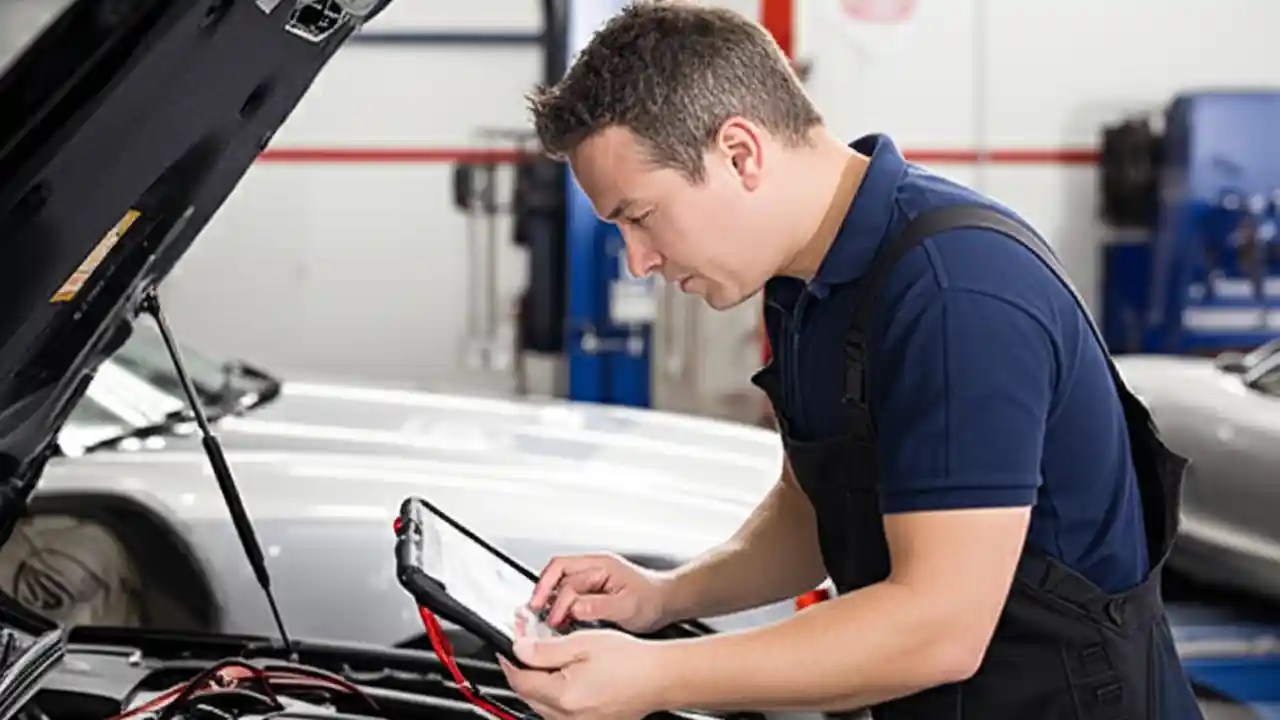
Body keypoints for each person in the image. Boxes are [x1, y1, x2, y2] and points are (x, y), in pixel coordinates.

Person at [499, 2, 1203, 718]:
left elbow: (939, 629)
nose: (639, 260)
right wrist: (664, 594)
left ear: (740, 153)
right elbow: (813, 512)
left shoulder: (954, 292)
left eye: (640, 216)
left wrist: (656, 676)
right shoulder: (804, 283)